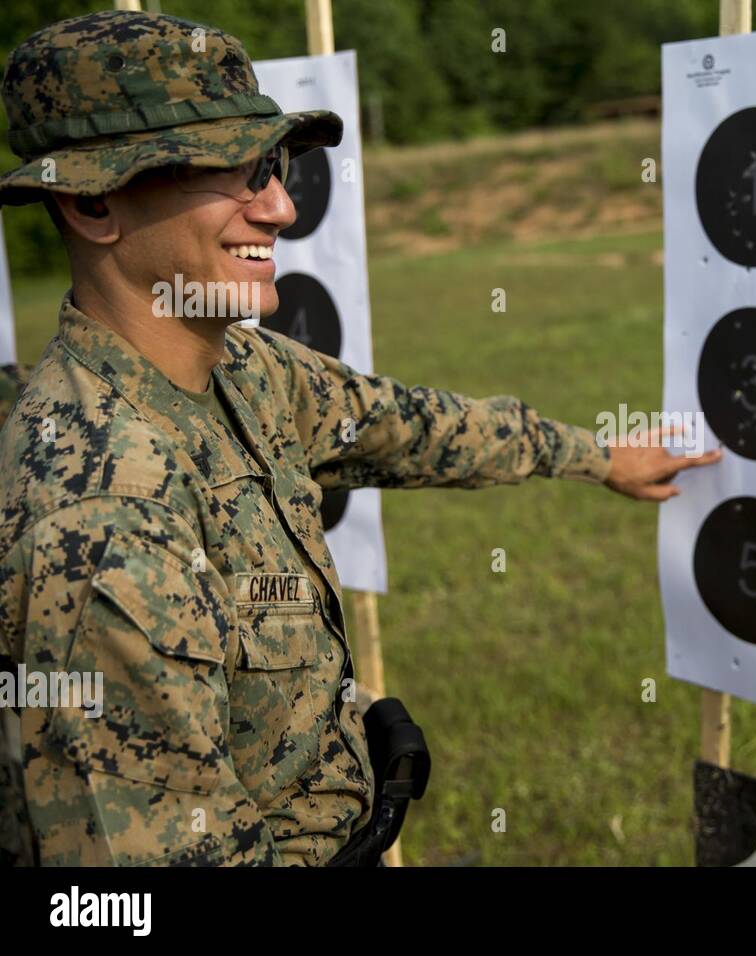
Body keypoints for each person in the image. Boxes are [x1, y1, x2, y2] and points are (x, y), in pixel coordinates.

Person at [0, 10, 719, 866]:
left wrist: (597, 455)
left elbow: (412, 427)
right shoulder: (99, 518)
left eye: (270, 165)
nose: (278, 205)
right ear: (92, 201)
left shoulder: (240, 372)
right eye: (230, 171)